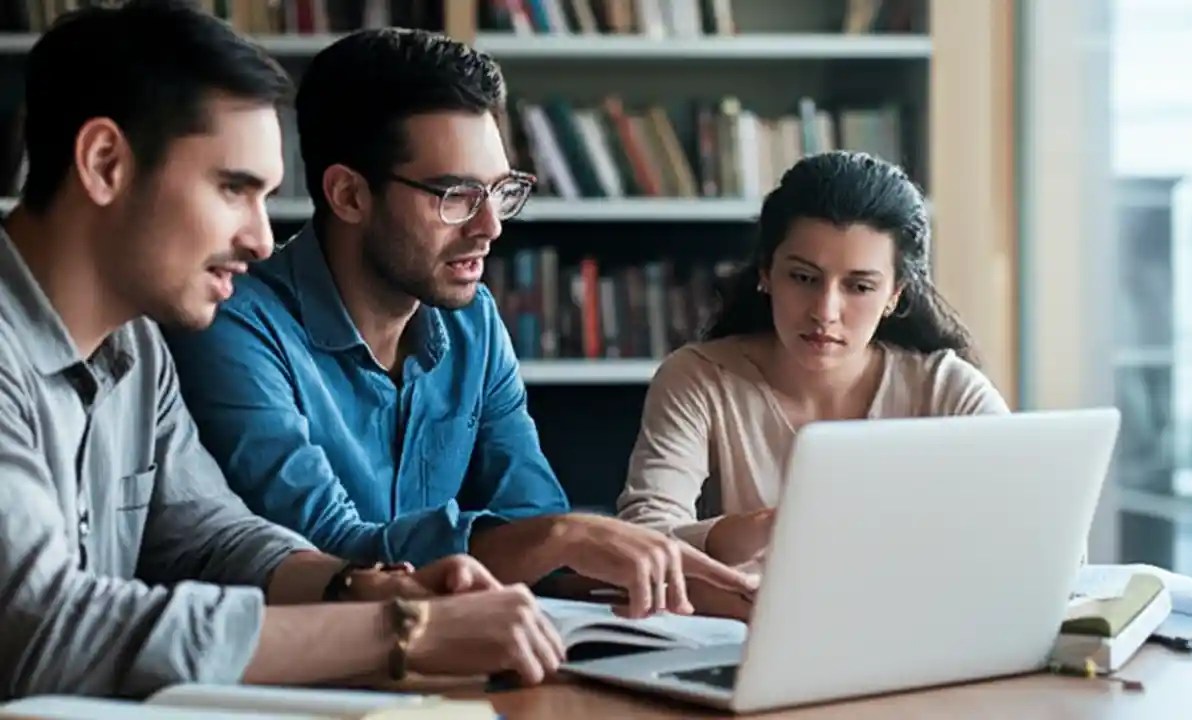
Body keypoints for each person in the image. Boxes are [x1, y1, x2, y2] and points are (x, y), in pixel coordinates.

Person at [0, 1, 572, 698]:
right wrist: (399, 629)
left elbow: (214, 538)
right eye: (234, 190)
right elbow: (44, 629)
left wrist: (360, 588)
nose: (263, 240)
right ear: (105, 163)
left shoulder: (138, 351)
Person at [162, 27, 756, 622]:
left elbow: (532, 514)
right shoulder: (234, 325)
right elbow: (329, 553)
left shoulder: (474, 321)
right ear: (348, 194)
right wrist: (554, 540)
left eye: (500, 192)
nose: (490, 227)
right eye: (455, 196)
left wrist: (671, 575)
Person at [616, 151, 1010, 595]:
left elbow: (1036, 536)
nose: (826, 312)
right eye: (804, 278)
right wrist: (755, 530)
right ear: (766, 272)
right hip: (742, 639)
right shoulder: (698, 379)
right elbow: (641, 541)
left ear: (894, 295)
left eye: (859, 287)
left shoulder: (946, 389)